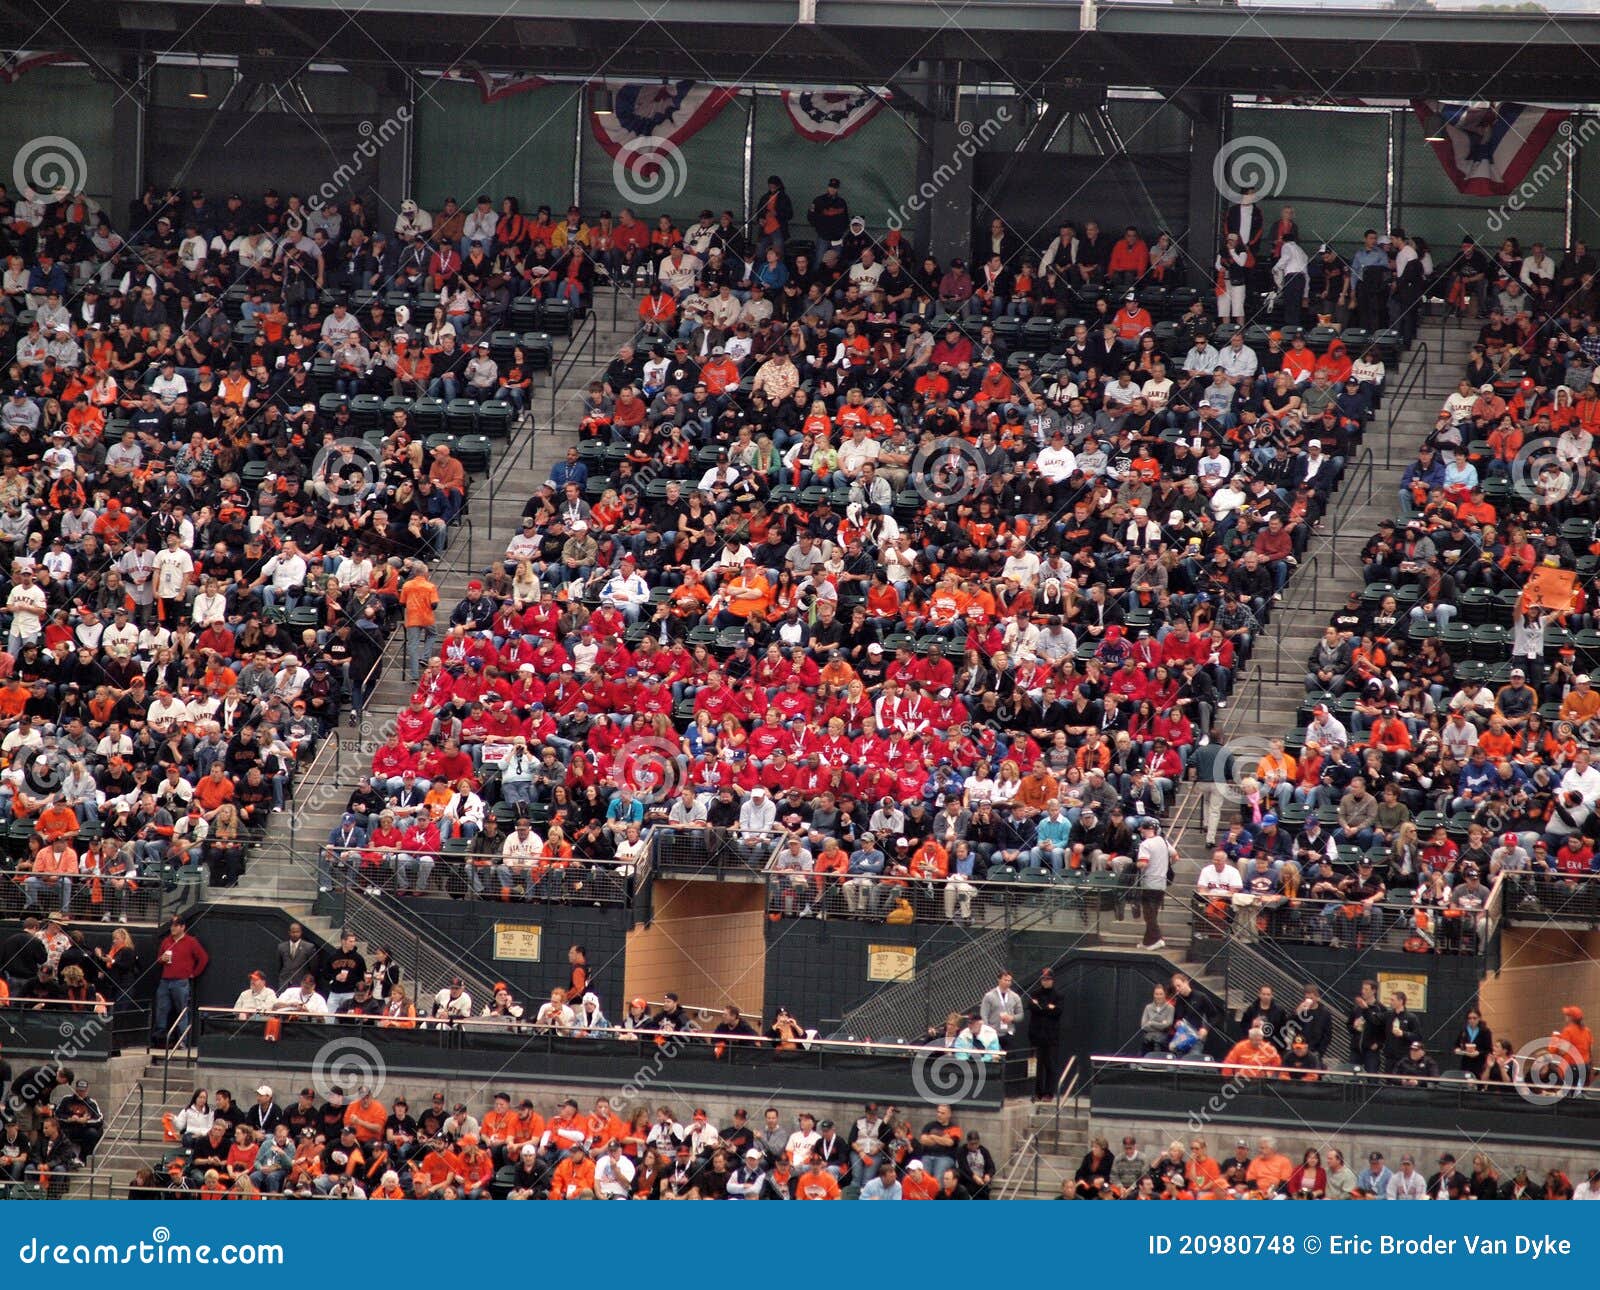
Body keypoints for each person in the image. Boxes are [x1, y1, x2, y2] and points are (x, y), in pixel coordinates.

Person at [150, 915, 208, 1048]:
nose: (172, 928)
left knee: (182, 1011)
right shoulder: (166, 941)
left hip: (181, 981)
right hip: (165, 980)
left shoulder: (191, 941)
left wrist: (194, 973)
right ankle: (159, 1039)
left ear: (183, 927)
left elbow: (203, 958)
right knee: (161, 1010)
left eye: (176, 926)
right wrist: (162, 959)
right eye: (172, 925)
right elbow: (159, 958)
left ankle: (182, 1040)